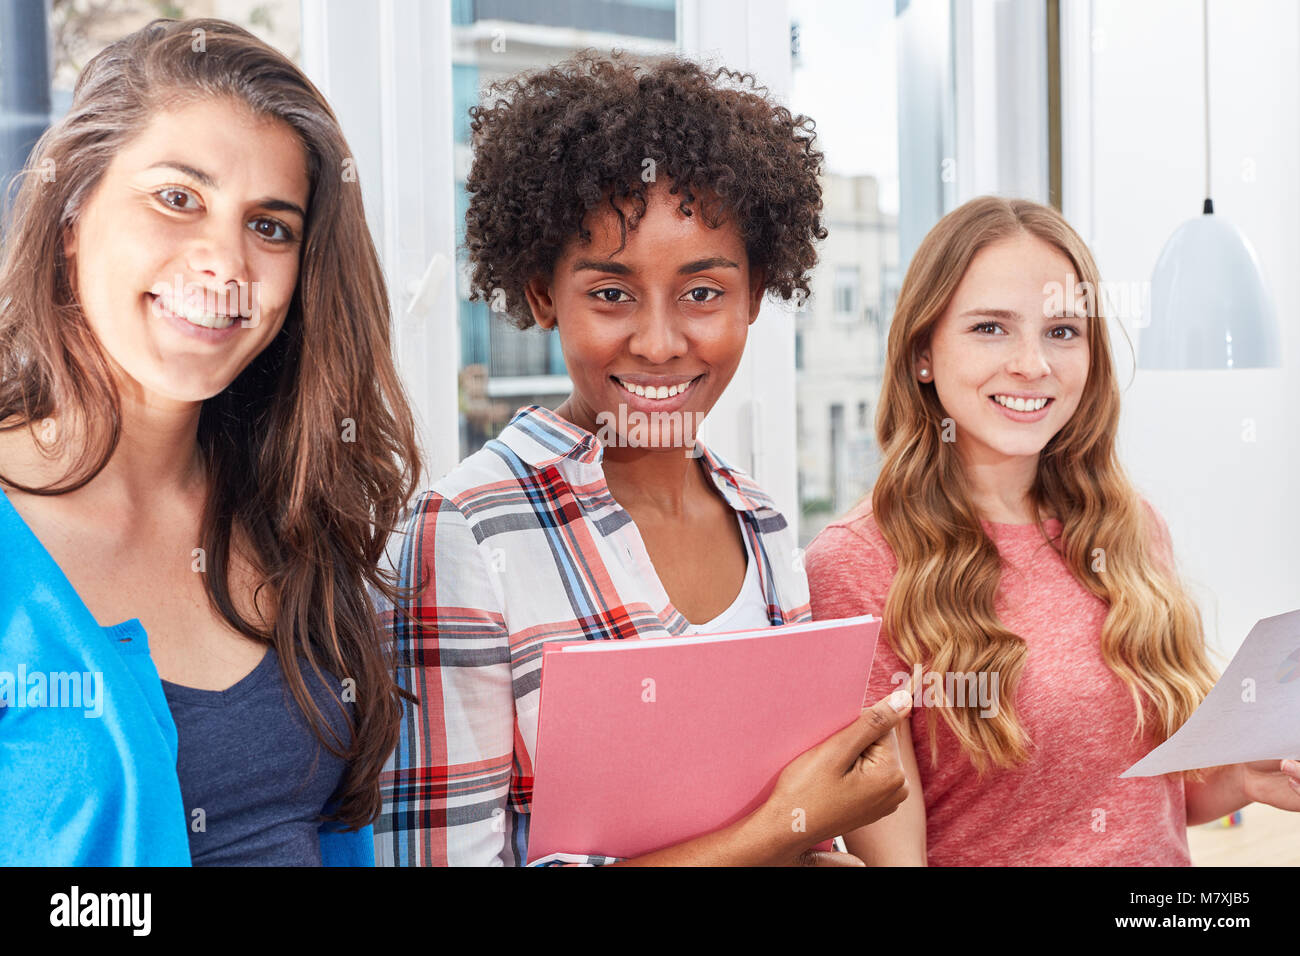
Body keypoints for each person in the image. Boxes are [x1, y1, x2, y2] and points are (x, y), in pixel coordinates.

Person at [376, 52, 910, 866]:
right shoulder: (465, 536)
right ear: (541, 293)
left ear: (756, 293)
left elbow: (805, 836)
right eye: (611, 294)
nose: (660, 343)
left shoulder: (763, 526)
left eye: (703, 293)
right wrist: (775, 830)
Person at [0, 18, 421, 865]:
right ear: (73, 213)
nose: (225, 266)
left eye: (271, 227)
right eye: (177, 198)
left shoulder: (294, 506)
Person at [804, 195, 1300, 866]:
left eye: (1062, 331)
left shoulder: (1127, 527)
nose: (1032, 364)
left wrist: (1239, 778)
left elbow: (1133, 800)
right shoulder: (859, 565)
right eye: (990, 328)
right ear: (923, 352)